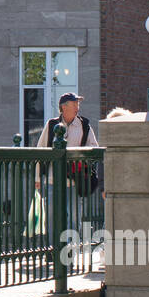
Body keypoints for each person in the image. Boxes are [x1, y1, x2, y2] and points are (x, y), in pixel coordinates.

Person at [35, 92, 100, 268]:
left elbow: (94, 147)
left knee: (73, 216)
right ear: (64, 107)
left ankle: (69, 250)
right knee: (52, 216)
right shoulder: (52, 124)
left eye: (78, 103)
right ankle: (52, 249)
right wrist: (37, 177)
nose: (78, 106)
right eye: (74, 103)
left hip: (74, 180)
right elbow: (40, 149)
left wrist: (79, 155)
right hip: (51, 179)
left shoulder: (84, 124)